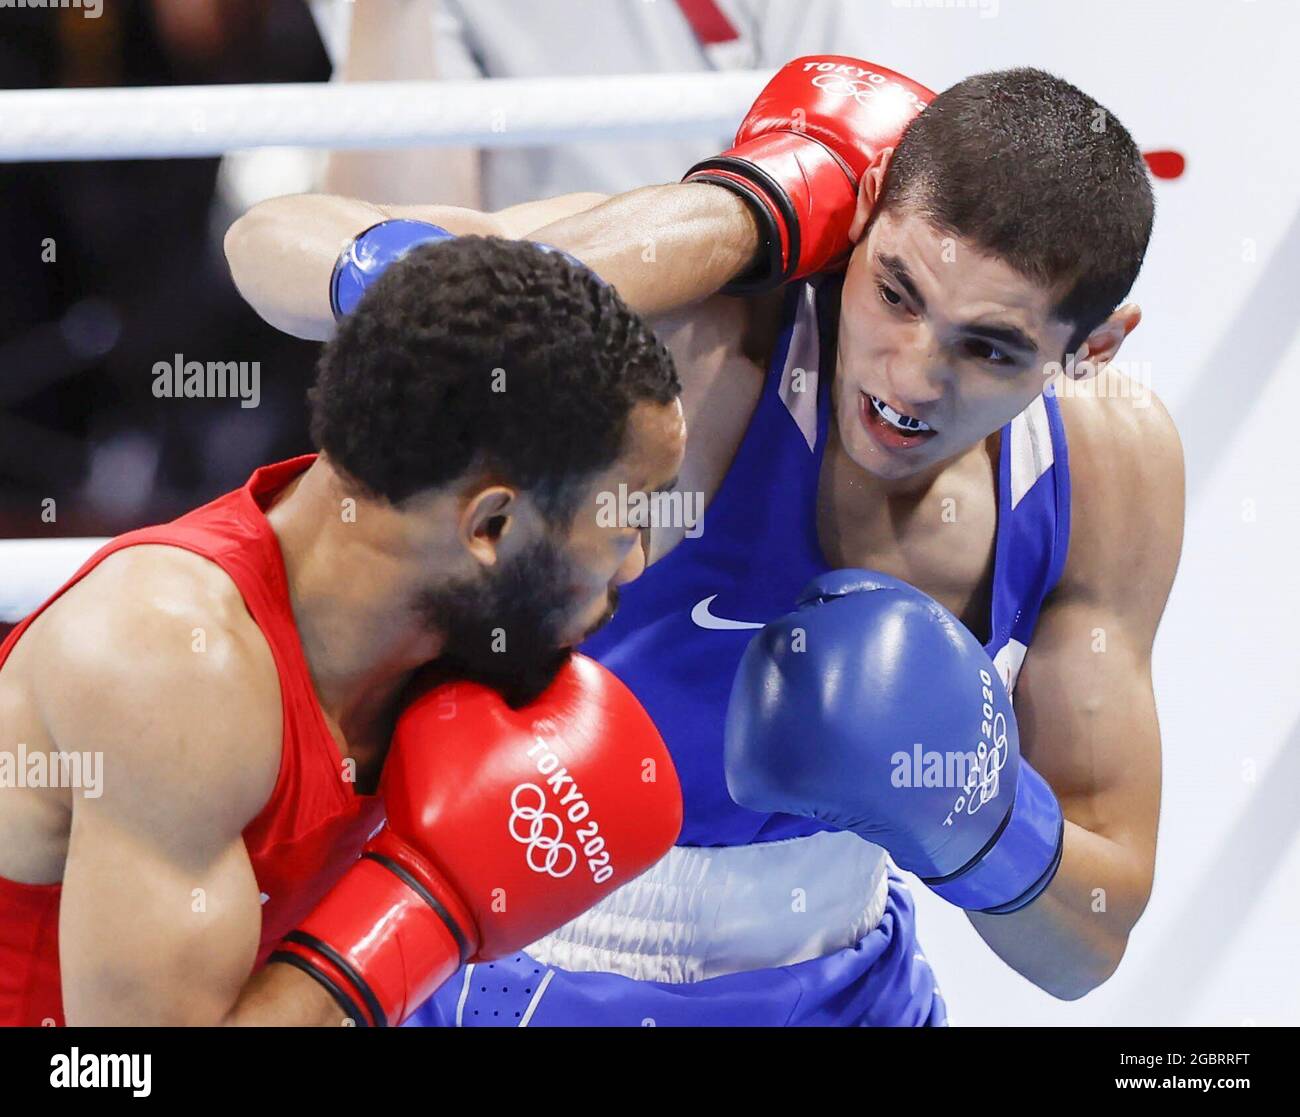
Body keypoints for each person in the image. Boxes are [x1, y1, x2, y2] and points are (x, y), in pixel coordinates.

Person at [225, 53, 1183, 1026]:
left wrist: (980, 822)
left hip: (850, 985)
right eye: (895, 293)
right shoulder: (702, 341)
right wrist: (418, 292)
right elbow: (271, 240)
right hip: (526, 968)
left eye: (988, 346)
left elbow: (1089, 941)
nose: (913, 374)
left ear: (1093, 347)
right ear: (862, 223)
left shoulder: (1106, 466)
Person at [0, 236, 686, 1026]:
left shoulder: (431, 623)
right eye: (624, 519)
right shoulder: (170, 666)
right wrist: (425, 906)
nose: (634, 564)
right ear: (491, 524)